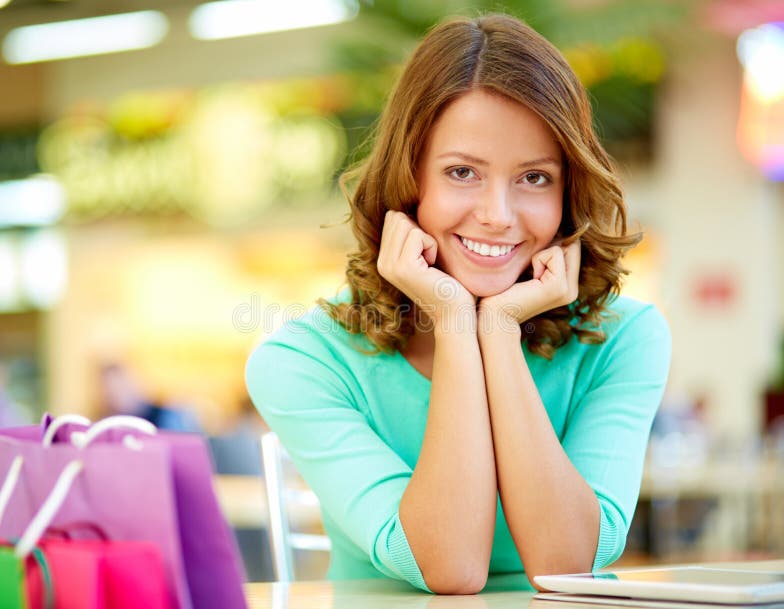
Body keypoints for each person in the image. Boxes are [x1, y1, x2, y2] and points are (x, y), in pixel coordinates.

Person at [245, 13, 671, 594]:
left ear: (568, 189)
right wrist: (452, 320)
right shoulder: (304, 361)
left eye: (535, 178)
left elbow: (569, 565)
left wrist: (496, 331)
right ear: (408, 178)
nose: (497, 213)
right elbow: (448, 567)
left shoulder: (624, 337)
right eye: (462, 172)